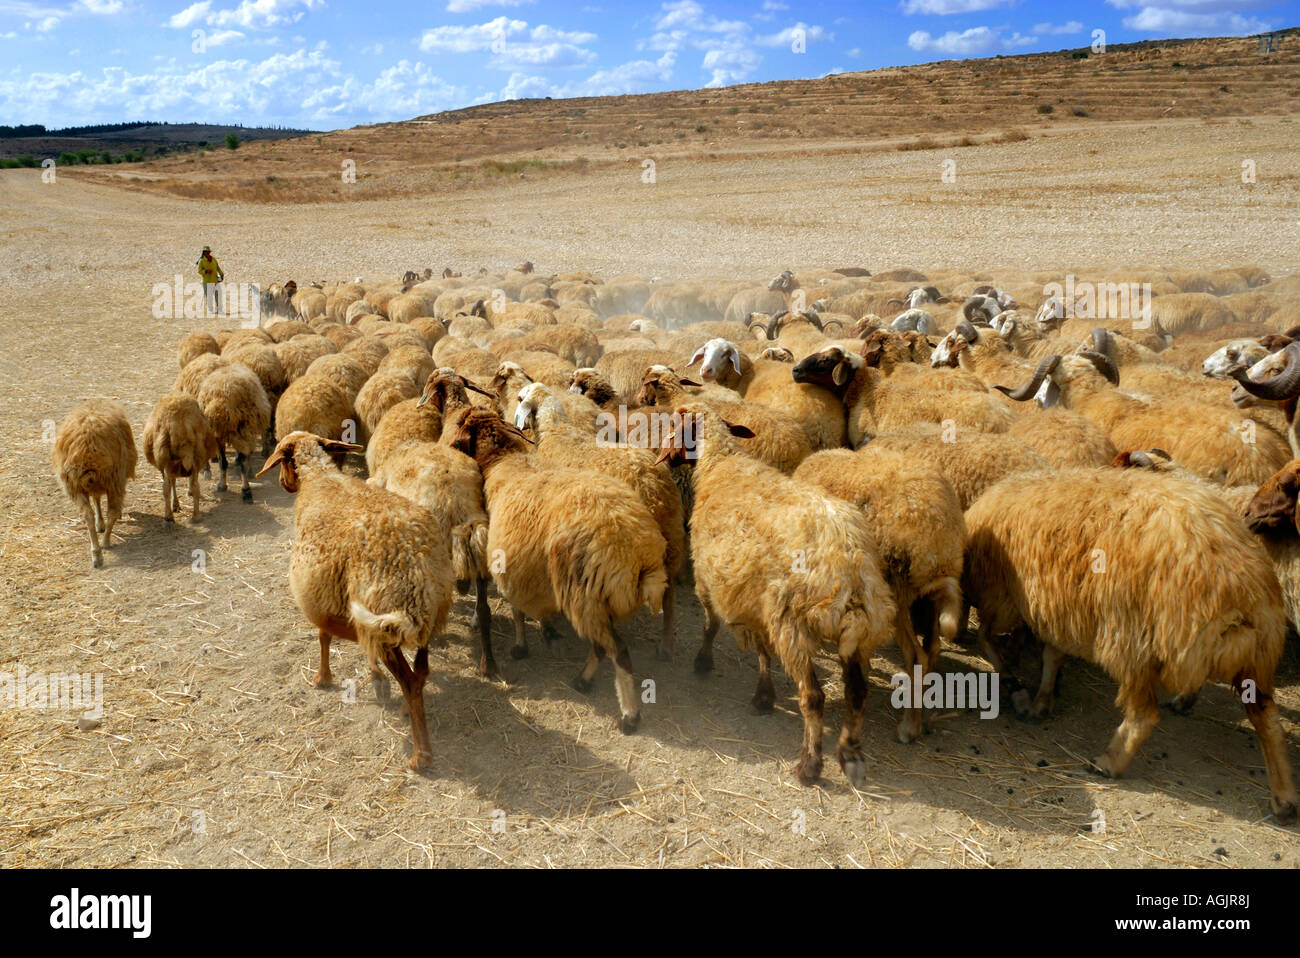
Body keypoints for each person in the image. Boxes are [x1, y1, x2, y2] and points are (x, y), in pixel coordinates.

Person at [197, 246, 224, 315]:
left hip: (215, 280)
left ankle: (219, 310)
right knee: (209, 296)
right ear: (204, 252)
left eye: (209, 251)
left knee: (218, 295)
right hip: (207, 281)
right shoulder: (201, 260)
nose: (208, 253)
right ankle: (210, 310)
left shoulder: (213, 259)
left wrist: (221, 274)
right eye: (206, 252)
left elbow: (217, 267)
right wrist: (206, 271)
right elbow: (199, 271)